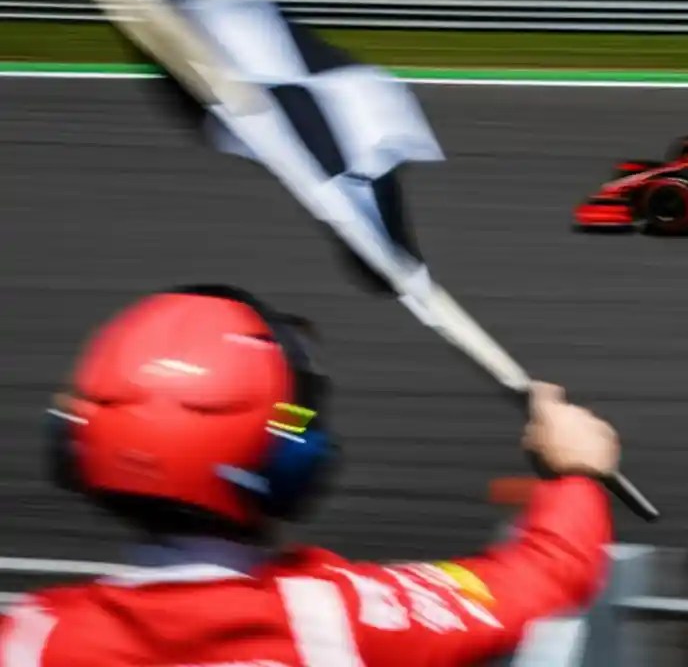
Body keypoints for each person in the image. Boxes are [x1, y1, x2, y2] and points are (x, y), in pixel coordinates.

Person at [0, 284, 620, 667]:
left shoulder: (28, 638)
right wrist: (574, 474)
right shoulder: (335, 618)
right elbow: (544, 575)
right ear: (287, 462)